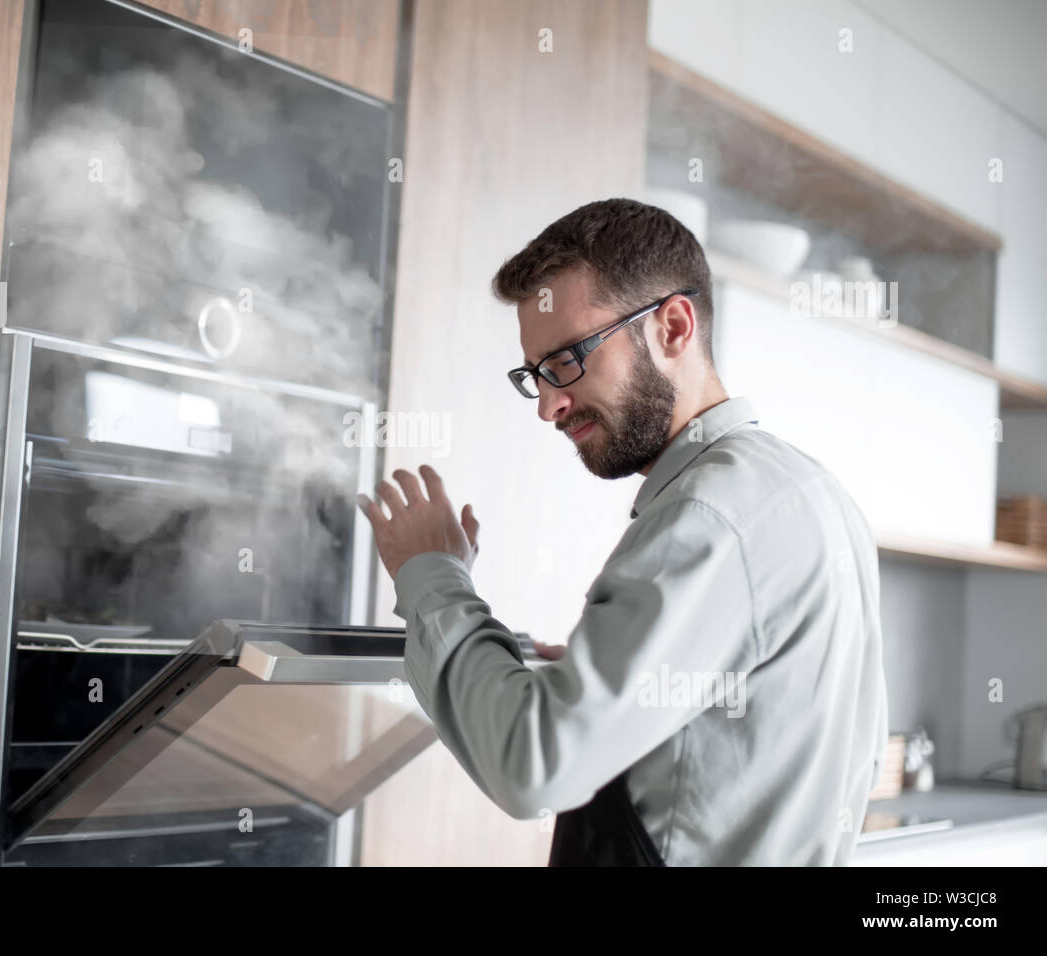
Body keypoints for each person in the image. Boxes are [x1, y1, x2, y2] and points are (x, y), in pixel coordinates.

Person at [355, 198, 889, 865]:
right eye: (536, 375)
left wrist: (432, 576)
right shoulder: (809, 490)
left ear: (672, 326)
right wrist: (602, 689)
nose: (549, 404)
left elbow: (534, 767)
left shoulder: (710, 515)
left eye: (568, 360)